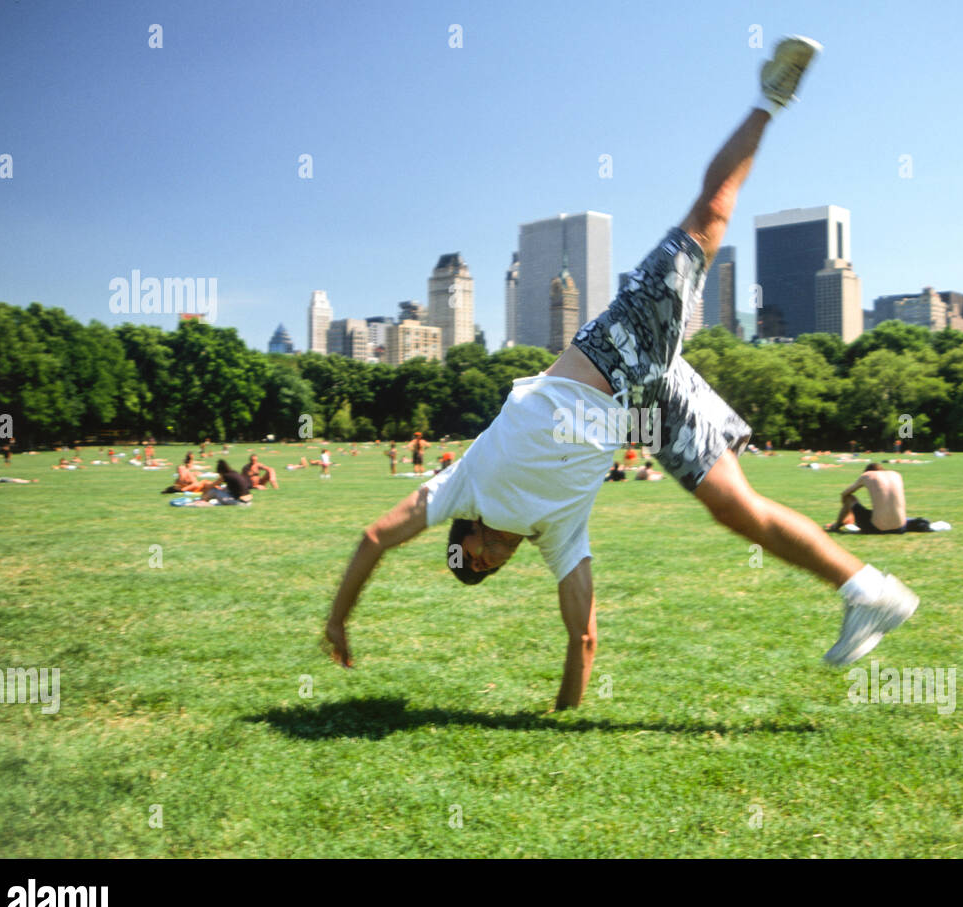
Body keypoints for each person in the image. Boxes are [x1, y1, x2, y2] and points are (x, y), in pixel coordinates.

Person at [322, 37, 918, 708]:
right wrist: (564, 715)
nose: (484, 561)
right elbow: (582, 637)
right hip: (643, 405)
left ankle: (769, 98)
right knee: (733, 507)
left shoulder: (463, 488)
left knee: (707, 219)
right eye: (482, 572)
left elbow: (376, 536)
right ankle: (866, 589)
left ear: (466, 531)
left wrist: (339, 617)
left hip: (615, 356)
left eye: (472, 555)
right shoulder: (555, 537)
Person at [826, 463, 909, 534]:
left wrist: (849, 512)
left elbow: (844, 494)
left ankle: (836, 526)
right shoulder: (896, 474)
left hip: (875, 528)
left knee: (849, 498)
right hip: (901, 527)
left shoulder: (867, 475)